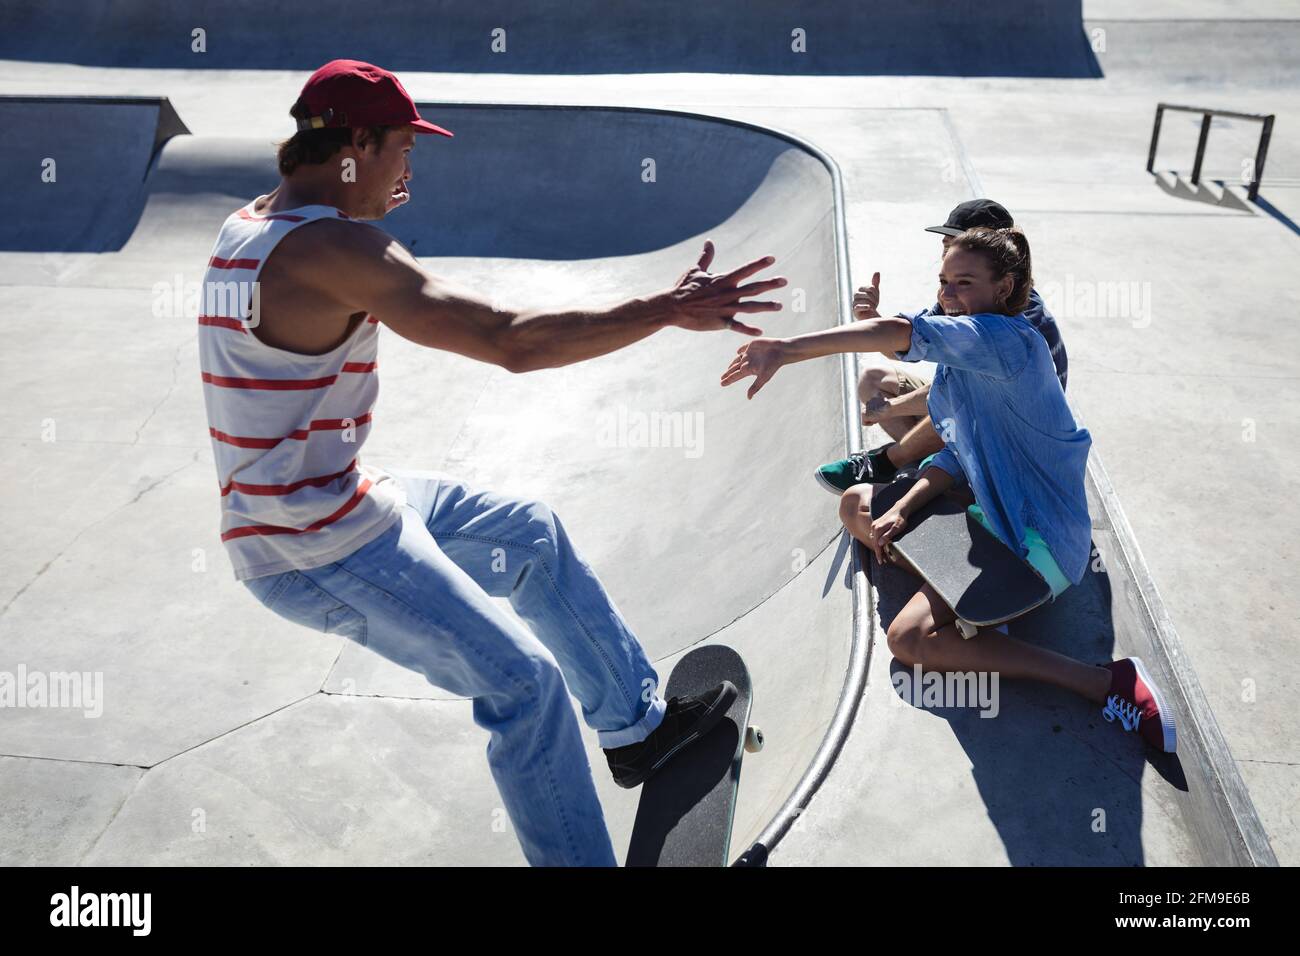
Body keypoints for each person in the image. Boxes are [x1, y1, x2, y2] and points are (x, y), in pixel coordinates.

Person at [197, 59, 786, 866]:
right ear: (357, 145)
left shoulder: (252, 224)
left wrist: (362, 218)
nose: (410, 169)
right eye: (403, 149)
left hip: (338, 502)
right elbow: (511, 343)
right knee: (524, 689)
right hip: (318, 550)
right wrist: (667, 309)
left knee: (531, 538)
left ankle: (636, 731)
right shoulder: (332, 246)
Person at [721, 226, 1176, 753]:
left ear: (1003, 288)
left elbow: (901, 333)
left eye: (964, 283)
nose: (947, 295)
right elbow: (958, 451)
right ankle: (981, 612)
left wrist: (787, 348)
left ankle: (1105, 681)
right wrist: (906, 507)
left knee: (908, 640)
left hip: (1039, 544)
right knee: (856, 504)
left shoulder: (1005, 341)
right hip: (988, 516)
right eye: (943, 281)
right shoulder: (963, 362)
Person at [814, 199, 1068, 493]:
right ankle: (931, 467)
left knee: (957, 405)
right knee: (873, 380)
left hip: (1016, 431)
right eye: (945, 246)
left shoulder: (1014, 316)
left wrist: (890, 409)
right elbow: (907, 346)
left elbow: (958, 395)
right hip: (969, 409)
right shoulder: (966, 296)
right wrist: (873, 320)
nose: (947, 256)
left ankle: (891, 461)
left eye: (955, 246)